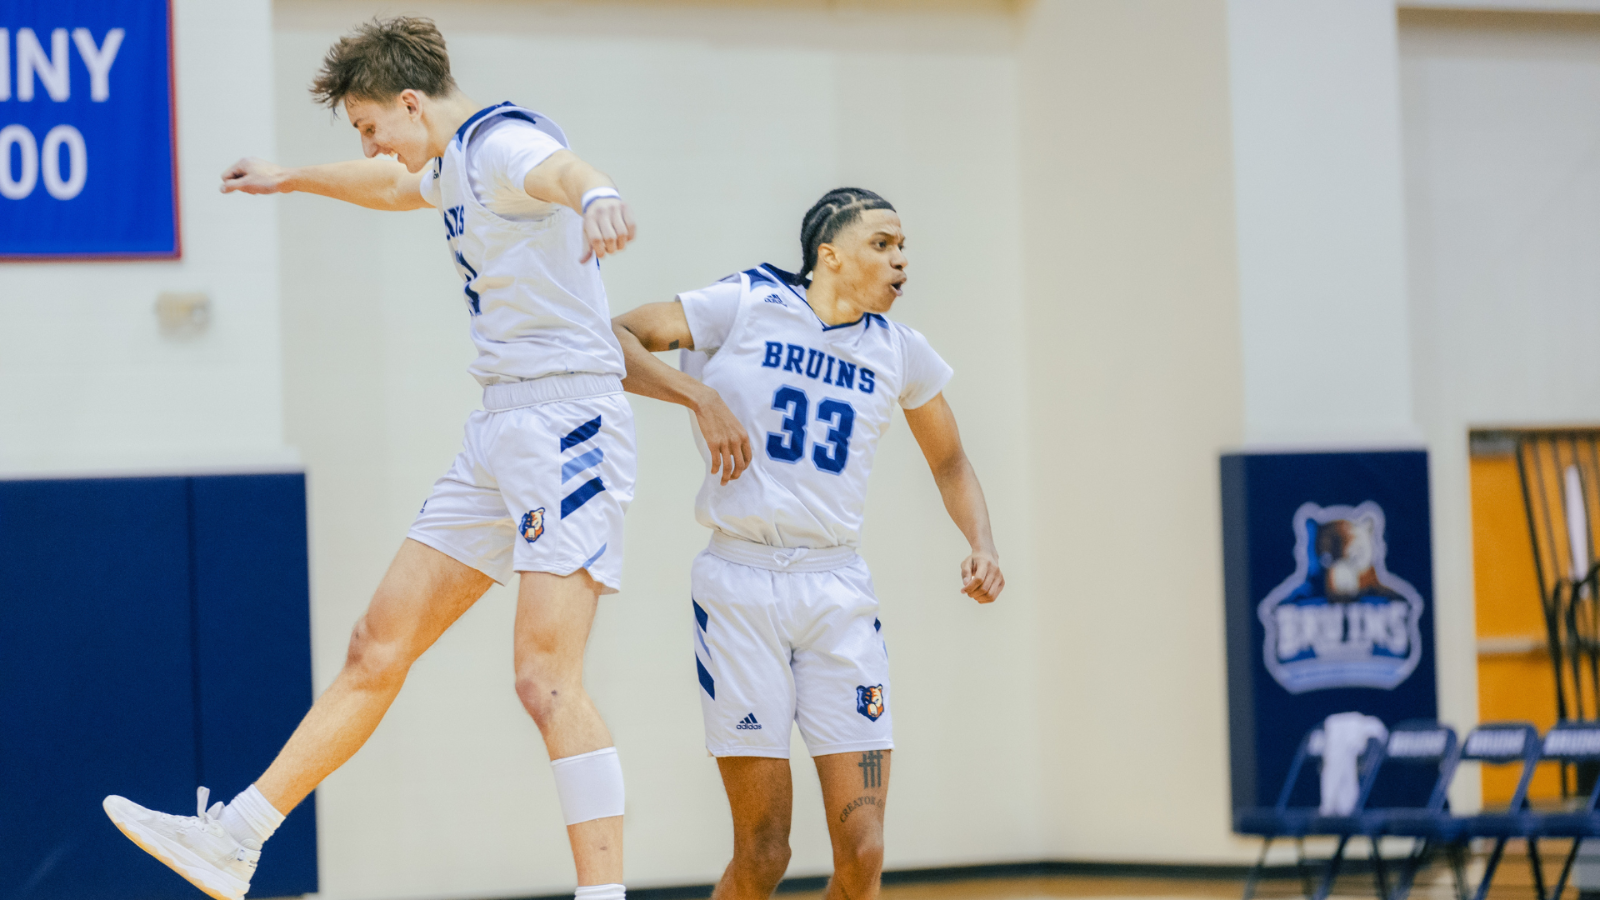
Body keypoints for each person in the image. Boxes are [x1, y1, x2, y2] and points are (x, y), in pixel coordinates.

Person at [102, 18, 642, 900]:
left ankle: (602, 895)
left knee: (545, 680)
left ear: (409, 102)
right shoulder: (453, 161)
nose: (368, 144)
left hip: (566, 423)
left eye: (368, 125)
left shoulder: (501, 144)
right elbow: (394, 186)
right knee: (375, 643)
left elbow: (560, 170)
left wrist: (598, 195)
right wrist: (291, 177)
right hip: (499, 426)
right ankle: (235, 839)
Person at [611, 188, 1004, 900]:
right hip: (740, 582)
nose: (901, 259)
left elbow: (950, 460)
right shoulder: (746, 302)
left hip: (836, 588)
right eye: (882, 244)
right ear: (830, 255)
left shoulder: (900, 351)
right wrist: (700, 397)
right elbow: (616, 337)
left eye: (903, 246)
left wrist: (983, 542)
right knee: (764, 852)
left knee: (866, 850)